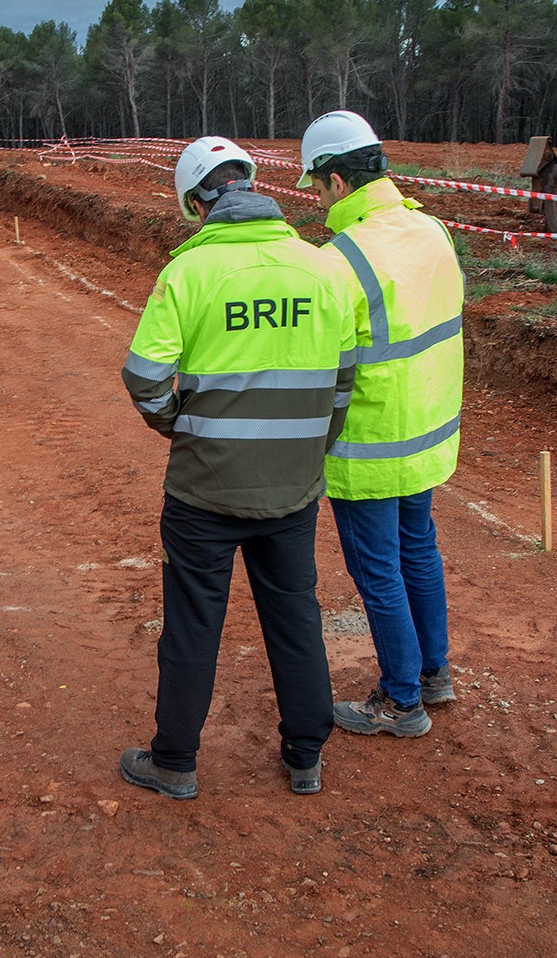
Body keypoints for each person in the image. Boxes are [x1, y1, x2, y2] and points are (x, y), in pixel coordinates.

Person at [119, 136, 357, 799]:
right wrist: (310, 444)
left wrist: (179, 426)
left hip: (204, 489)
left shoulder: (189, 273)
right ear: (254, 188)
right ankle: (306, 756)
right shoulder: (323, 269)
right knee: (295, 617)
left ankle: (175, 763)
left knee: (194, 622)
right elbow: (343, 381)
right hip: (293, 485)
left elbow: (143, 377)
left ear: (198, 203)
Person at [297, 110, 464, 739]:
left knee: (378, 572)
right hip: (427, 432)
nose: (316, 198)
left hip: (369, 443)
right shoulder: (432, 230)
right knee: (418, 550)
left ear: (338, 182)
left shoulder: (341, 259)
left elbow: (322, 360)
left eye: (317, 185)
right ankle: (434, 675)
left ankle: (401, 701)